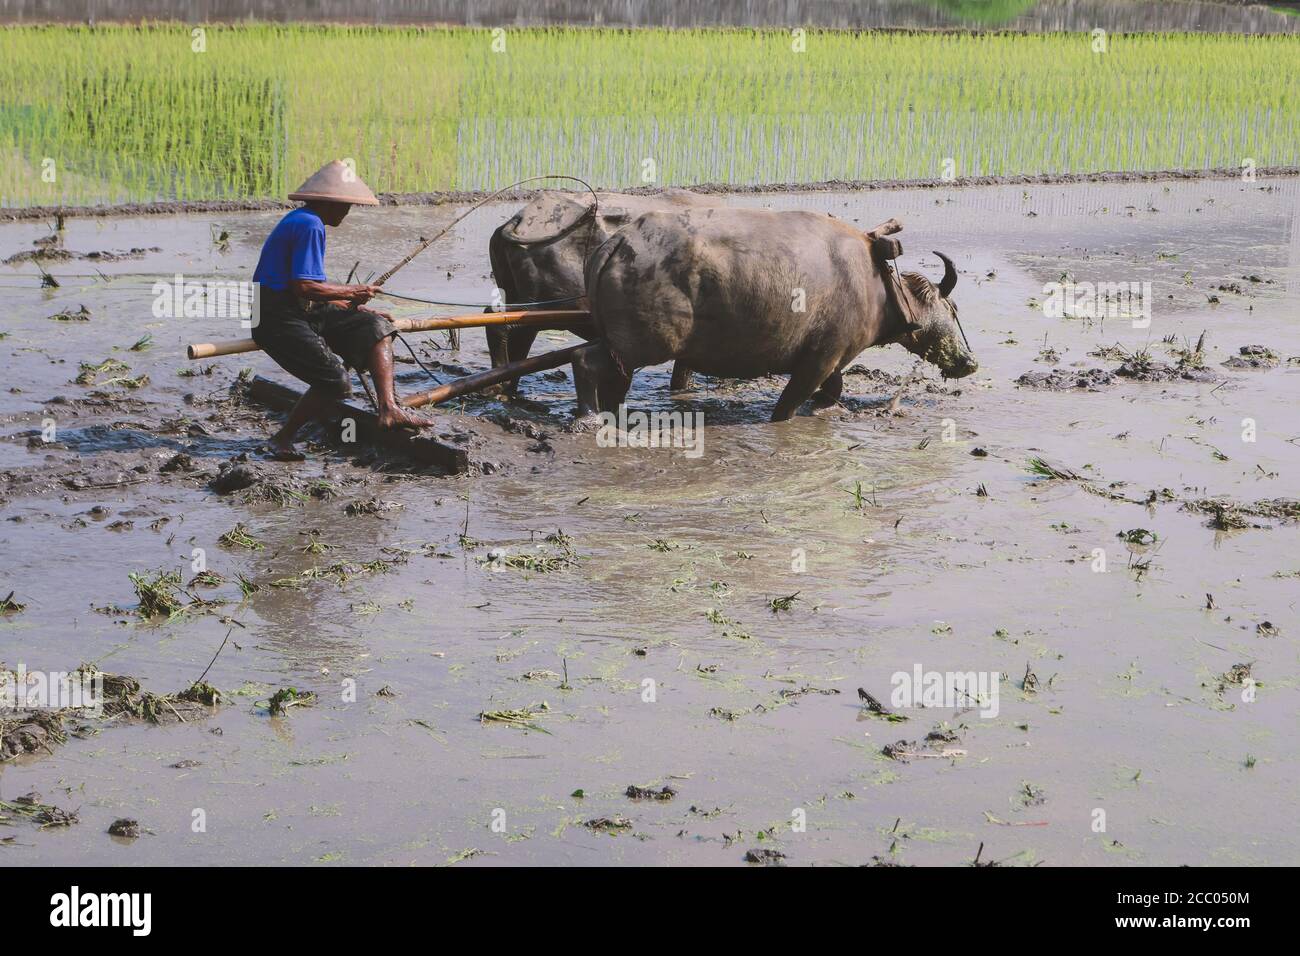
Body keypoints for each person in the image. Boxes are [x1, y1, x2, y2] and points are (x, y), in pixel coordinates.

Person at [250, 159, 429, 460]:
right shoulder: (309, 224)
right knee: (334, 382)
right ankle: (281, 439)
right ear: (328, 203)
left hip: (299, 308)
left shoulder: (305, 220)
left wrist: (349, 306)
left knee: (375, 327)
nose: (347, 212)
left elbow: (310, 289)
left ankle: (389, 409)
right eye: (344, 205)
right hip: (274, 315)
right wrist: (354, 291)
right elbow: (303, 287)